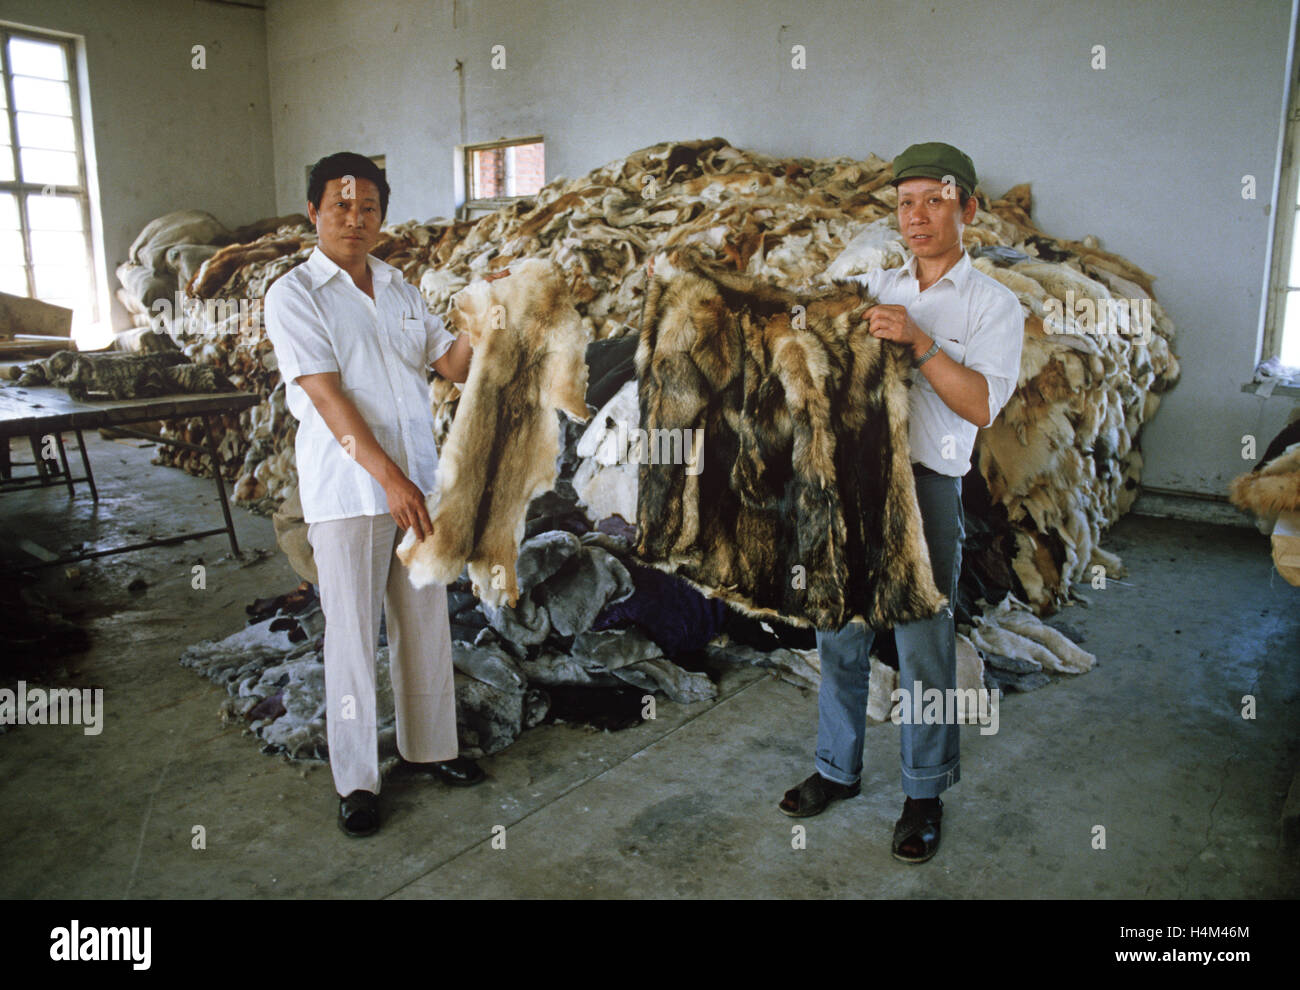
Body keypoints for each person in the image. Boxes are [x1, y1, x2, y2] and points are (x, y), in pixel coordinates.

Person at [778, 142, 1024, 863]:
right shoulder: (873, 287)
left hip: (926, 490)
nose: (917, 217)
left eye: (935, 200)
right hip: (850, 484)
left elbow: (980, 404)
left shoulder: (992, 304)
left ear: (968, 208)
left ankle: (924, 792)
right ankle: (837, 768)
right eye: (906, 202)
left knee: (923, 645)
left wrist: (918, 342)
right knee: (840, 632)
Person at [265, 151, 484, 837]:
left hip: (415, 485)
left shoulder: (397, 286)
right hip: (352, 490)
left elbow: (450, 363)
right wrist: (388, 480)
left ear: (382, 216)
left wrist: (493, 311)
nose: (354, 220)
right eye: (340, 206)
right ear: (313, 211)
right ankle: (358, 780)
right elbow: (326, 399)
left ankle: (430, 748)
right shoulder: (295, 294)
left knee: (423, 623)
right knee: (354, 636)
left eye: (367, 208)